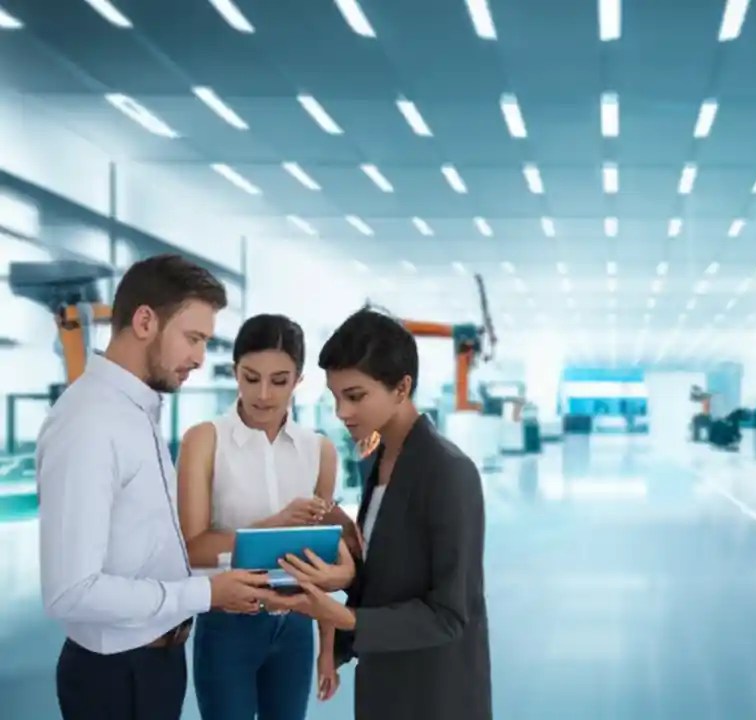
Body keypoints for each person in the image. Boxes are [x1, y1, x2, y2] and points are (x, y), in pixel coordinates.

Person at [37, 253, 273, 720]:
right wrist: (205, 595)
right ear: (145, 320)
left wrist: (223, 582)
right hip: (116, 677)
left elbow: (142, 552)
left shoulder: (139, 412)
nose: (201, 358)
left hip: (156, 661)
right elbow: (71, 590)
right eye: (193, 338)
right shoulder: (90, 422)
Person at [273, 308, 493, 719]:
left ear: (401, 387)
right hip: (383, 680)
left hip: (435, 691)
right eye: (336, 397)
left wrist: (346, 617)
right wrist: (334, 635)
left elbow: (449, 613)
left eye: (355, 396)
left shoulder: (448, 471)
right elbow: (387, 574)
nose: (342, 412)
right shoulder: (376, 460)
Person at [175, 313, 355, 719]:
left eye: (280, 381)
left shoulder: (319, 450)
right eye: (250, 377)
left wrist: (327, 649)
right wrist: (276, 524)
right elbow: (193, 549)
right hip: (228, 623)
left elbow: (321, 561)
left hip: (296, 625)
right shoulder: (205, 440)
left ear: (298, 381)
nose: (264, 394)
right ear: (235, 371)